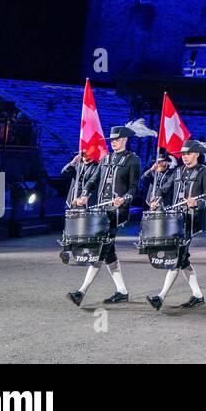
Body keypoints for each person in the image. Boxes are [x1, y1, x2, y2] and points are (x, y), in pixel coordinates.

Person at [65, 122, 147, 307]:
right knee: (108, 252)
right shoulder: (105, 158)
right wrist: (85, 194)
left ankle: (81, 292)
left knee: (99, 250)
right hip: (100, 210)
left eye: (117, 140)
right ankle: (122, 291)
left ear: (125, 140)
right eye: (111, 140)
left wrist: (124, 198)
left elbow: (135, 187)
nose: (113, 143)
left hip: (116, 212)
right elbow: (93, 180)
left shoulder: (133, 159)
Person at [146, 139, 206, 311]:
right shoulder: (177, 172)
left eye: (188, 153)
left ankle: (160, 297)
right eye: (183, 154)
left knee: (176, 257)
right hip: (174, 220)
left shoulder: (205, 172)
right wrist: (156, 198)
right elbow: (164, 189)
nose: (184, 157)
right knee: (182, 259)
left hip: (191, 221)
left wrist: (196, 203)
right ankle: (198, 295)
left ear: (197, 154)